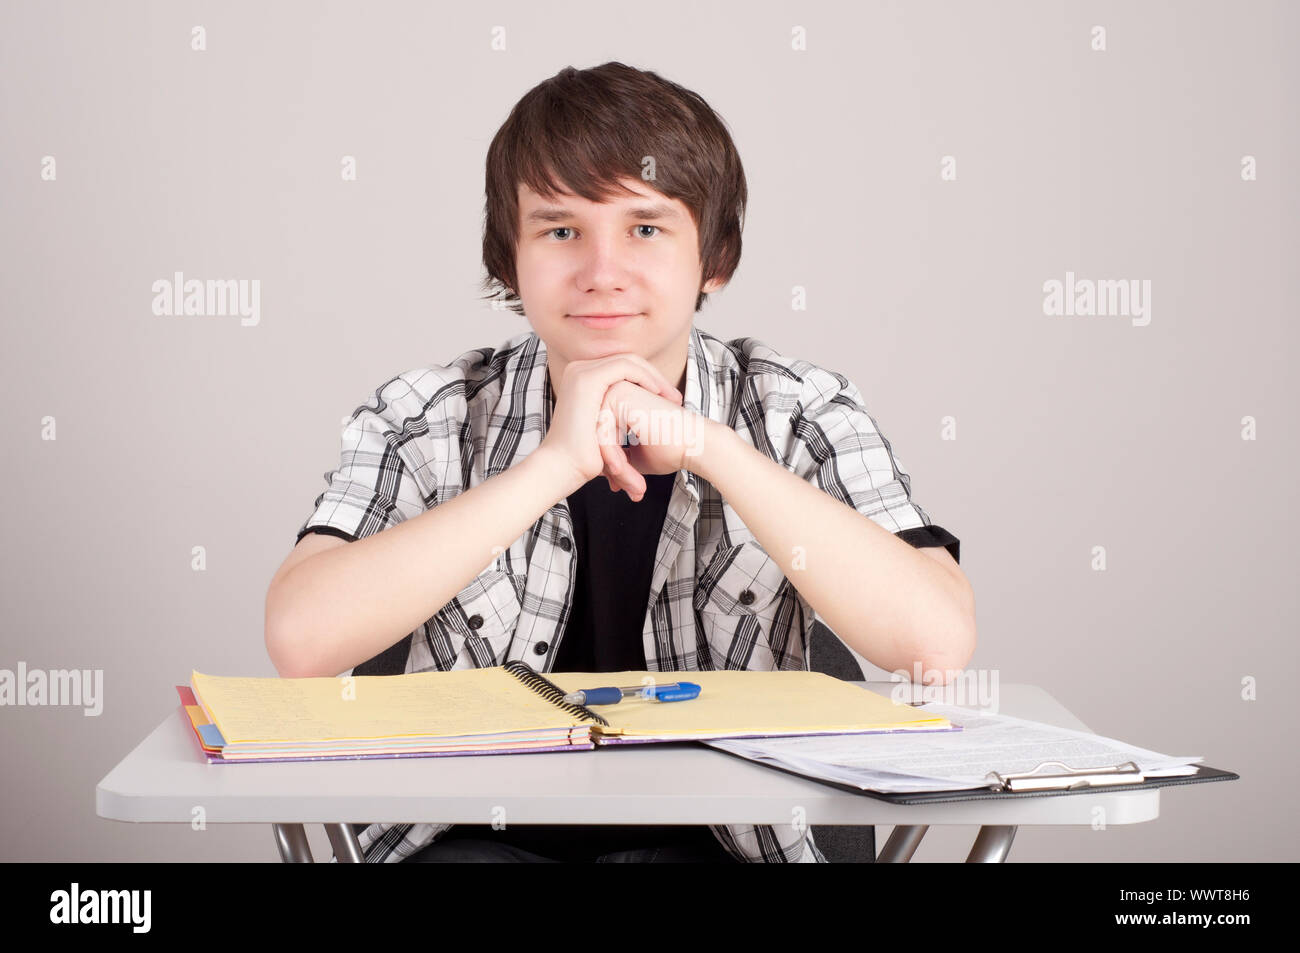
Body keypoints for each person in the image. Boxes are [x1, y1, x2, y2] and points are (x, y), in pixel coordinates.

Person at [265, 62, 974, 863]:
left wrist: (713, 449)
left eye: (645, 228)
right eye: (561, 230)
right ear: (510, 258)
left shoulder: (797, 408)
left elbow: (936, 643)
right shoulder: (425, 414)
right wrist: (551, 465)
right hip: (474, 840)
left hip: (726, 847)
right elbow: (301, 638)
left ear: (716, 257)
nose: (602, 272)